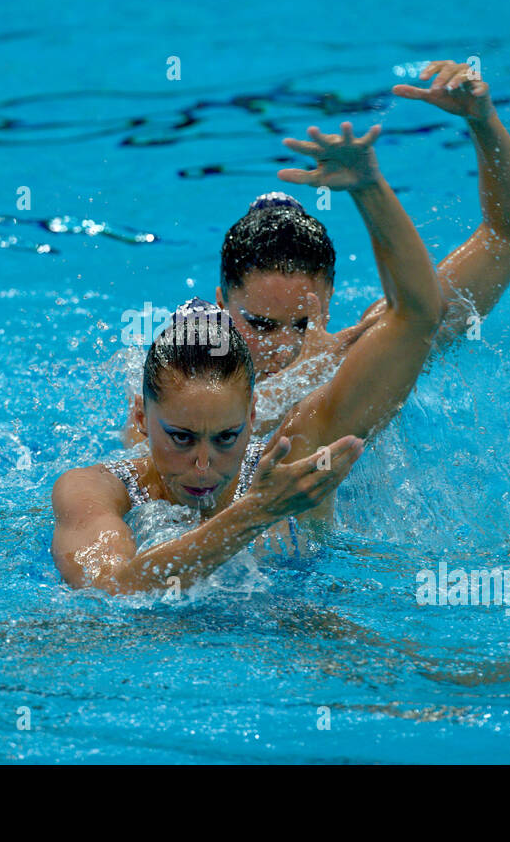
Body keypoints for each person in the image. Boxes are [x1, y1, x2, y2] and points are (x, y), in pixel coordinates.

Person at [53, 121, 442, 593]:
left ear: (254, 413)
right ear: (141, 416)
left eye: (226, 438)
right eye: (180, 438)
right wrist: (257, 511)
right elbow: (109, 590)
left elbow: (419, 316)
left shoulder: (296, 453)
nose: (203, 465)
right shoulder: (96, 488)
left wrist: (370, 189)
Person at [118, 59, 510, 443]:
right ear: (222, 305)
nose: (285, 348)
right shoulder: (181, 382)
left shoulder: (362, 353)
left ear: (330, 302)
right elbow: (146, 456)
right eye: (262, 326)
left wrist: (484, 121)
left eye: (303, 324)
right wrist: (307, 375)